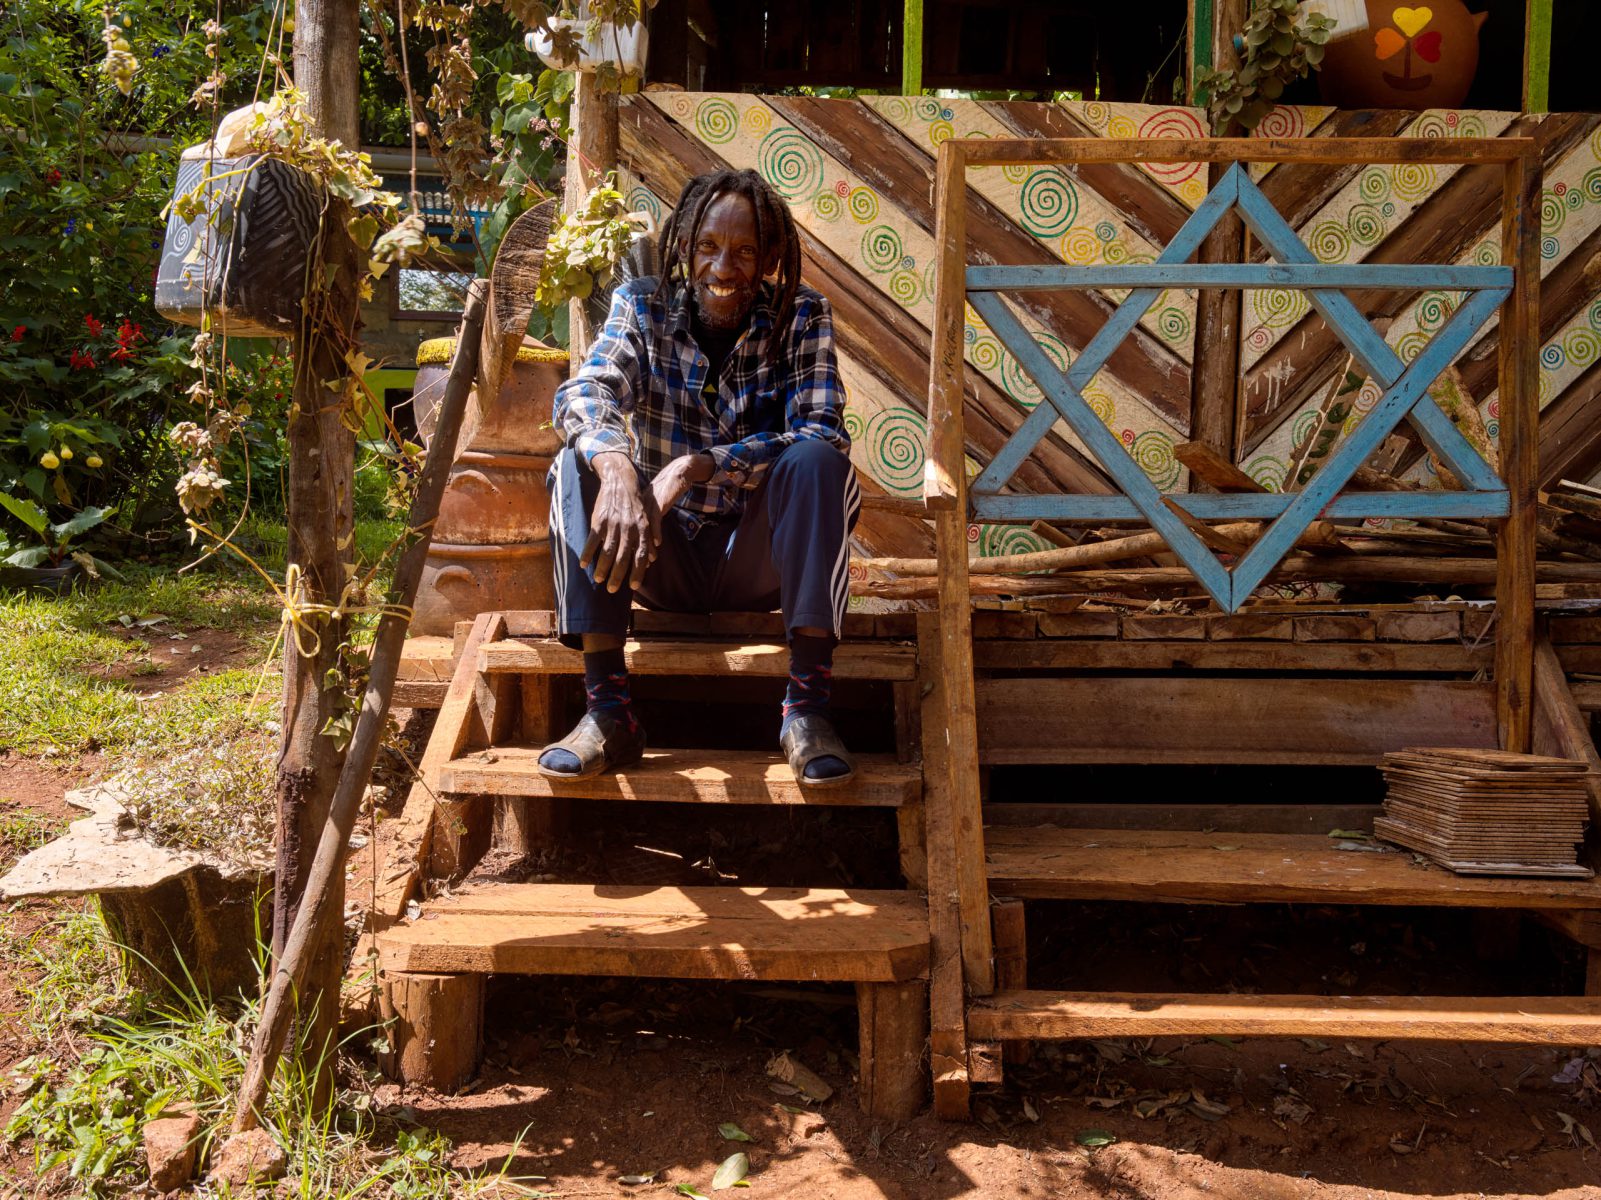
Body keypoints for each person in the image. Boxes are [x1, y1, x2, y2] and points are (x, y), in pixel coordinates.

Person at [539, 167, 860, 788]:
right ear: (685, 247)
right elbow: (585, 392)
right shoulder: (642, 304)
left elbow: (821, 428)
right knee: (575, 461)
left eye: (744, 252)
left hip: (756, 562)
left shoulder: (802, 316)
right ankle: (608, 713)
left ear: (769, 258)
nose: (723, 267)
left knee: (820, 462)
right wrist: (615, 468)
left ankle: (807, 710)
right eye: (708, 247)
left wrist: (695, 465)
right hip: (656, 556)